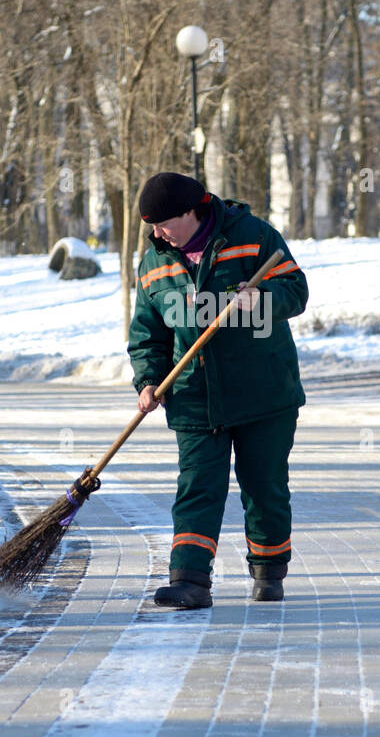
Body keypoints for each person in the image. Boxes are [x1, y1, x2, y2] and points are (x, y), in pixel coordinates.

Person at [127, 172, 309, 609]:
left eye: (163, 223)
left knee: (264, 486)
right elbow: (147, 333)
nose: (156, 233)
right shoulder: (155, 262)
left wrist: (261, 297)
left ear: (190, 212)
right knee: (197, 488)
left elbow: (296, 291)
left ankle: (268, 571)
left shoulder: (252, 236)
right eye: (151, 226)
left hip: (264, 392)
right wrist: (149, 380)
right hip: (193, 395)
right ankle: (189, 580)